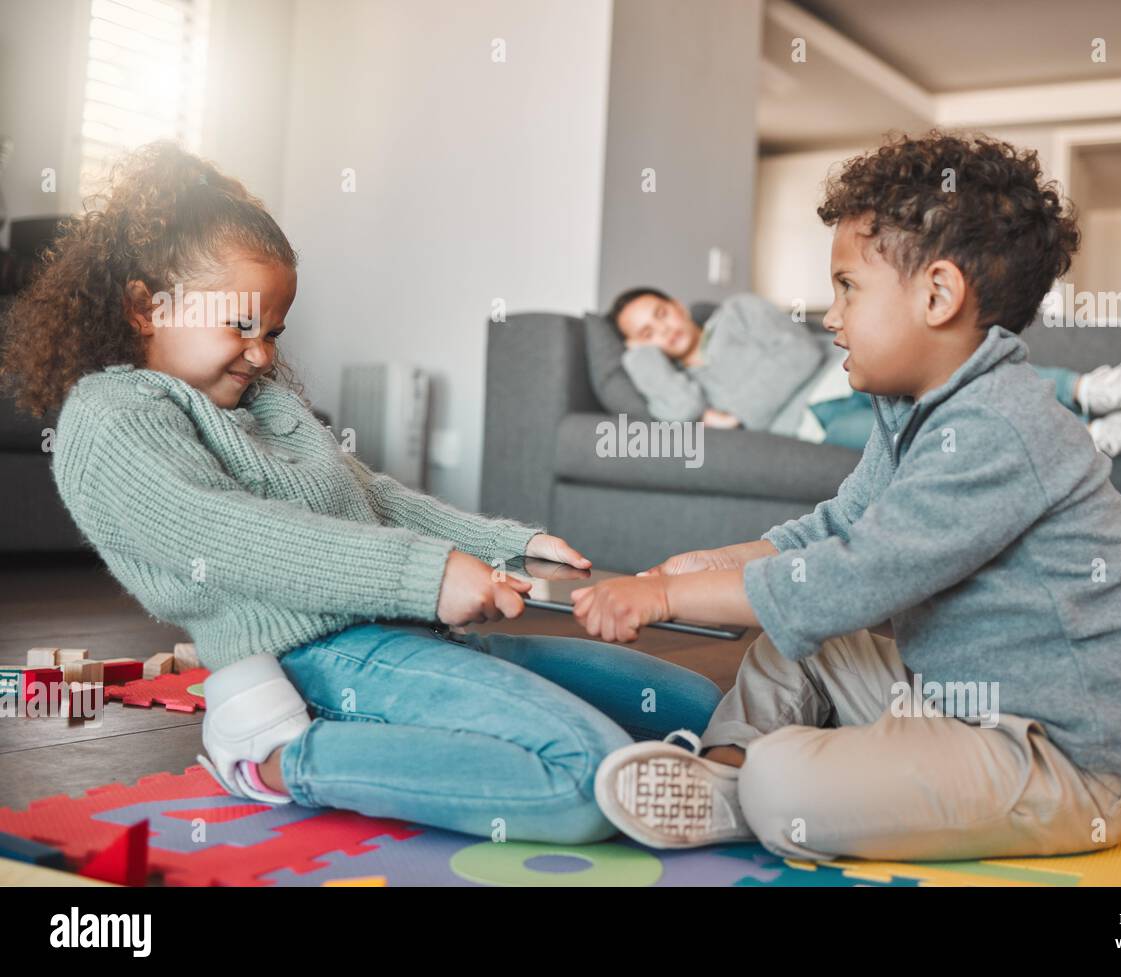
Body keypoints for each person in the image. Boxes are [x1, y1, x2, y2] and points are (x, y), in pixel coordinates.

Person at [1, 141, 721, 845]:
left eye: (274, 330)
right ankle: (277, 761)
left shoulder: (262, 400)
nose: (264, 352)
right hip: (317, 656)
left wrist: (510, 545)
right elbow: (226, 535)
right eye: (242, 325)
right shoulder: (111, 416)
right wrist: (426, 573)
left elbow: (368, 497)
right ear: (146, 307)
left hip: (413, 633)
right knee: (583, 776)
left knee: (704, 708)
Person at [572, 131, 1121, 862]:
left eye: (847, 287)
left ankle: (755, 787)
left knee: (785, 779)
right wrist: (694, 567)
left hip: (1067, 759)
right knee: (789, 650)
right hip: (954, 694)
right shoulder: (910, 411)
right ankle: (721, 774)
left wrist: (665, 600)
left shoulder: (999, 425)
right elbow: (830, 530)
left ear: (938, 294)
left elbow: (851, 575)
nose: (830, 317)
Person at [611, 286, 1121, 461]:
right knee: (943, 438)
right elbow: (679, 413)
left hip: (848, 372)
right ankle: (1104, 437)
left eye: (659, 314)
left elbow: (797, 359)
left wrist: (742, 412)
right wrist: (644, 361)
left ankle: (1096, 388)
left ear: (677, 305)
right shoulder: (684, 386)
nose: (661, 331)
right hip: (817, 427)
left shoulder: (736, 312)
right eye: (644, 334)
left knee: (963, 383)